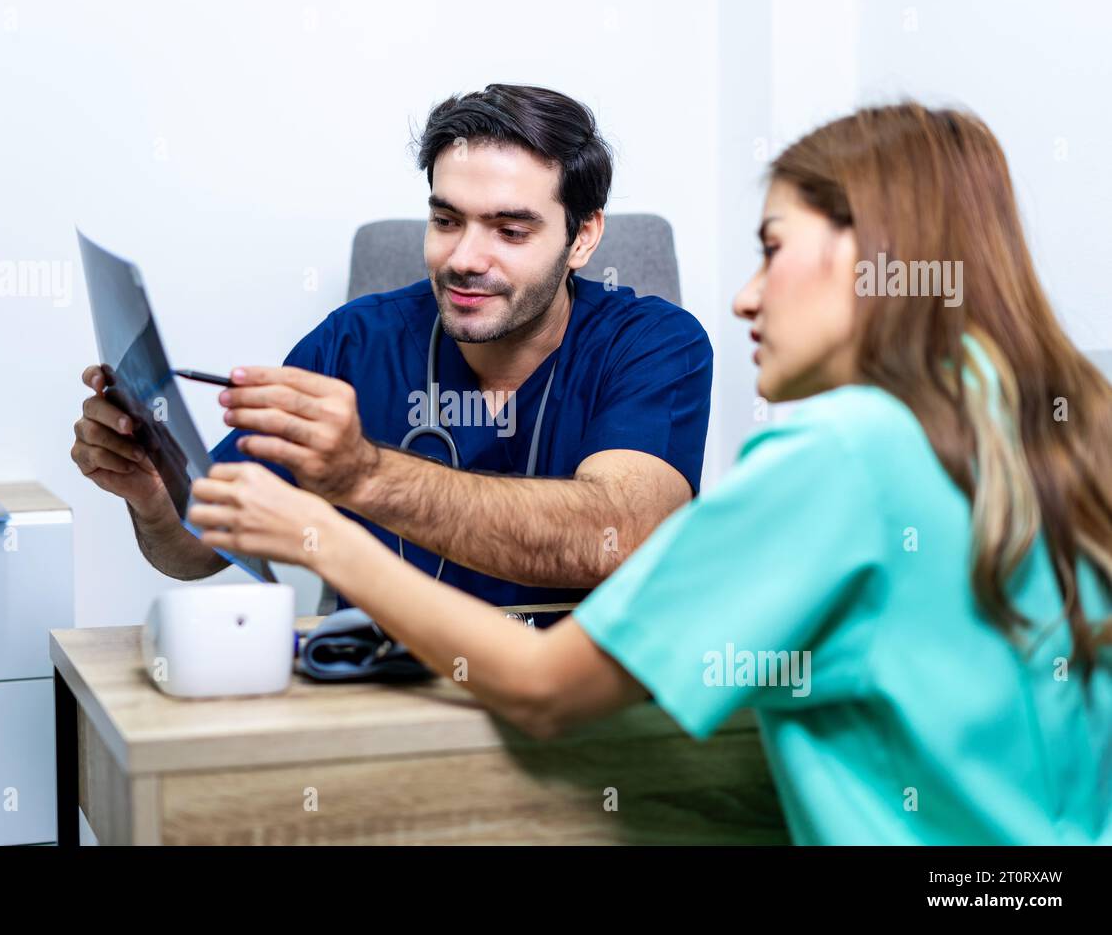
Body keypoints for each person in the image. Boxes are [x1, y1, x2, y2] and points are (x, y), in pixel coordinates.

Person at [187, 103, 1112, 844]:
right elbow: (194, 533)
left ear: (875, 259)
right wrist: (163, 492)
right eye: (445, 220)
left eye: (773, 249)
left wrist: (323, 524)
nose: (748, 292)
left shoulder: (839, 453)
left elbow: (547, 686)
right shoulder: (1040, 415)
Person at [71, 84, 713, 623]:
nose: (464, 259)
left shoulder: (654, 345)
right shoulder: (356, 342)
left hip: (577, 708)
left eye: (510, 231)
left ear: (583, 237)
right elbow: (197, 550)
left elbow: (619, 537)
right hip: (384, 700)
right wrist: (154, 497)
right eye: (446, 220)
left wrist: (364, 473)